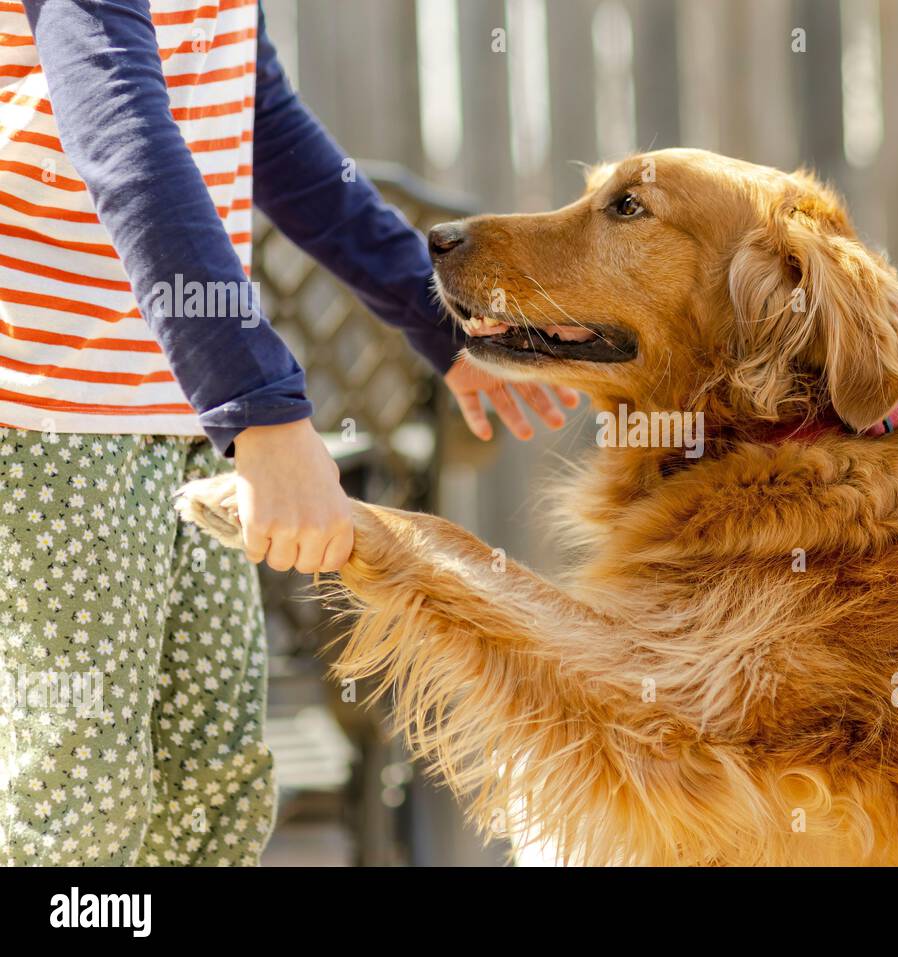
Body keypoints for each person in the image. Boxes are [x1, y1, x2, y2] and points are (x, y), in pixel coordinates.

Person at [0, 0, 574, 865]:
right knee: (79, 797)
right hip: (51, 423)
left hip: (178, 420)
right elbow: (128, 145)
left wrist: (438, 316)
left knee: (211, 786)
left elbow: (271, 134)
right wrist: (262, 409)